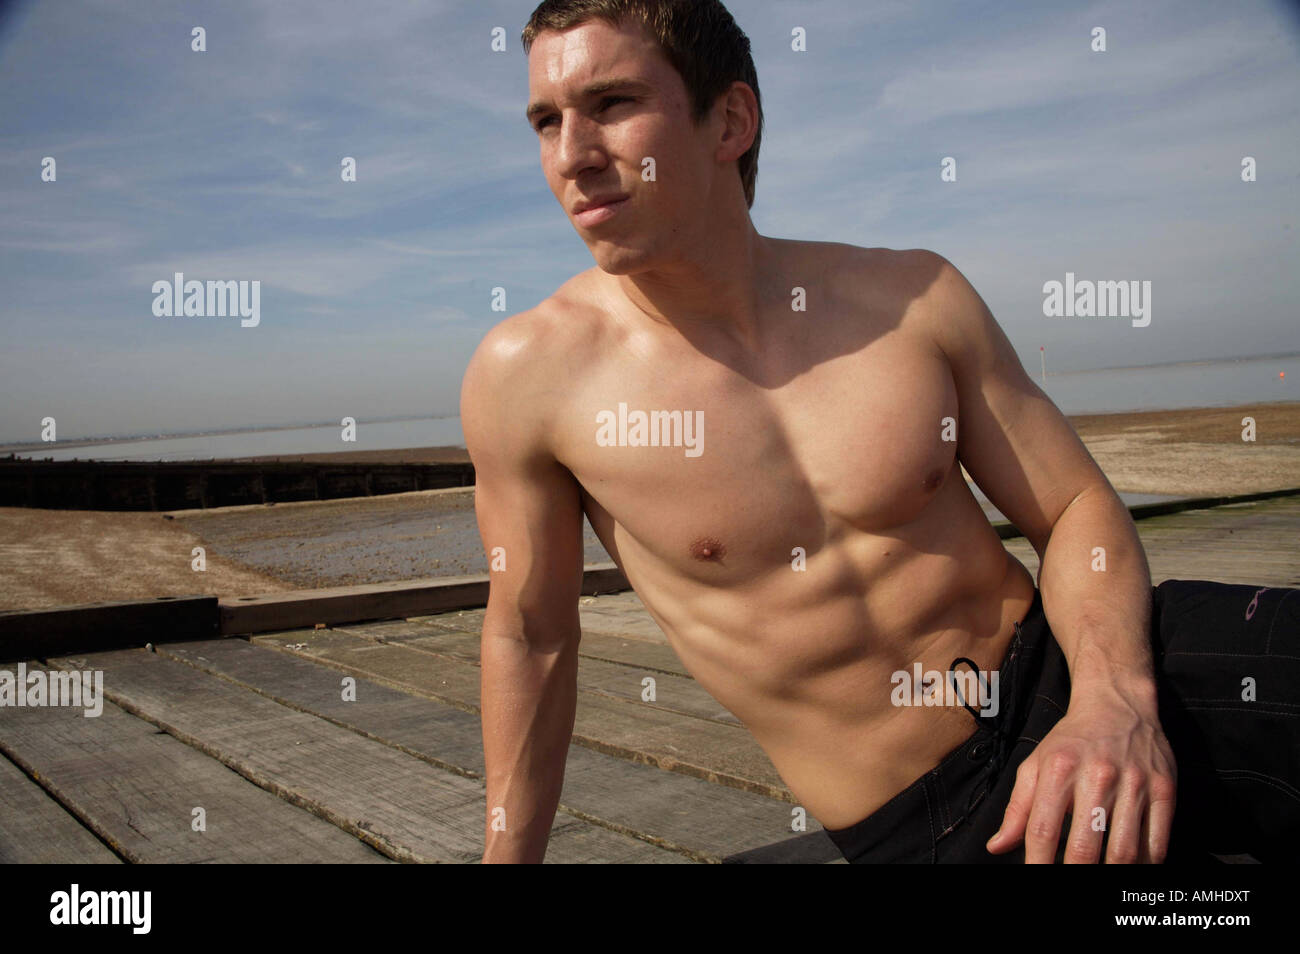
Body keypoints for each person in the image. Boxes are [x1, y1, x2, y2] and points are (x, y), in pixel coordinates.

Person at [459, 0, 1299, 863]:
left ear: (731, 120)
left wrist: (1111, 700)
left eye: (611, 104)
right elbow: (532, 634)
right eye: (545, 120)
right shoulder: (531, 375)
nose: (571, 155)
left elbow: (1075, 505)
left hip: (1096, 663)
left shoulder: (912, 298)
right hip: (941, 815)